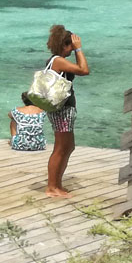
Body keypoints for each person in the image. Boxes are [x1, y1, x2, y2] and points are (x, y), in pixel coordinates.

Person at [42, 24, 88, 197]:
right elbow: (84, 70)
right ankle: (52, 186)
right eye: (71, 45)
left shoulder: (55, 60)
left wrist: (75, 48)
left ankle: (56, 184)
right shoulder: (58, 60)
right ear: (65, 45)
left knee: (68, 147)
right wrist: (79, 49)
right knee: (61, 148)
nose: (72, 48)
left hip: (63, 109)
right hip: (62, 110)